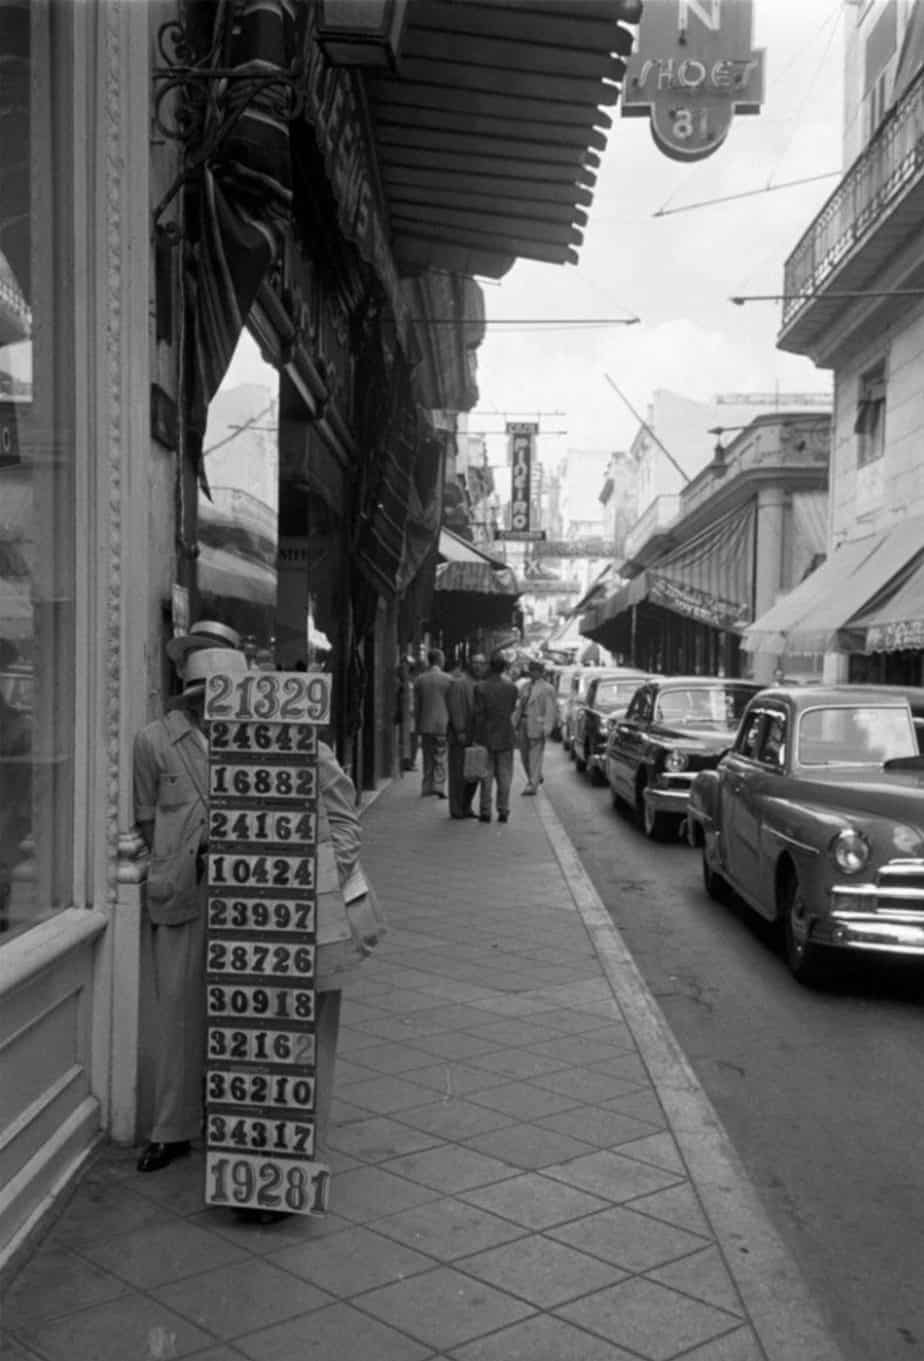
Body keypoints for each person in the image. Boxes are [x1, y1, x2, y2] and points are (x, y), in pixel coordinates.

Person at [133, 620, 246, 1173]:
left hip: (244, 895)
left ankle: (235, 1123)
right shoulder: (154, 741)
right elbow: (145, 820)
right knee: (177, 1010)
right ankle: (172, 1129)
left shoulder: (250, 736)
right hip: (181, 891)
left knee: (242, 1012)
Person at [473, 651, 518, 824]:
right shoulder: (512, 687)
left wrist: (476, 736)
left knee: (486, 775)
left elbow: (478, 714)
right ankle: (503, 810)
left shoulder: (481, 687)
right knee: (505, 775)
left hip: (486, 735)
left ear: (490, 667)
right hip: (506, 735)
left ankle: (485, 811)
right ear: (504, 668)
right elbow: (512, 709)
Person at [446, 652, 487, 820]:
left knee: (473, 774)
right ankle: (457, 809)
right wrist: (460, 730)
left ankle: (467, 806)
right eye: (475, 663)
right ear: (470, 664)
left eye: (481, 663)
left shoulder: (481, 684)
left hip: (477, 737)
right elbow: (455, 708)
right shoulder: (459, 683)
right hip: (461, 736)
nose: (478, 666)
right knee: (458, 774)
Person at [514, 658, 558, 794]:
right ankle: (535, 776)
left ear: (541, 672)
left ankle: (532, 785)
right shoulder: (525, 686)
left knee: (535, 756)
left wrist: (546, 727)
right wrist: (514, 723)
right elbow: (518, 706)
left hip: (537, 725)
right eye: (531, 670)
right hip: (523, 723)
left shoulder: (547, 688)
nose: (532, 673)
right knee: (524, 756)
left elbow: (551, 710)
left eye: (535, 671)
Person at [413, 647, 451, 799]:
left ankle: (426, 787)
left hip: (425, 724)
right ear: (440, 660)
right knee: (441, 756)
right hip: (443, 724)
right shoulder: (448, 680)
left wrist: (417, 724)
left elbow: (417, 706)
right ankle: (439, 786)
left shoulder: (420, 679)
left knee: (427, 756)